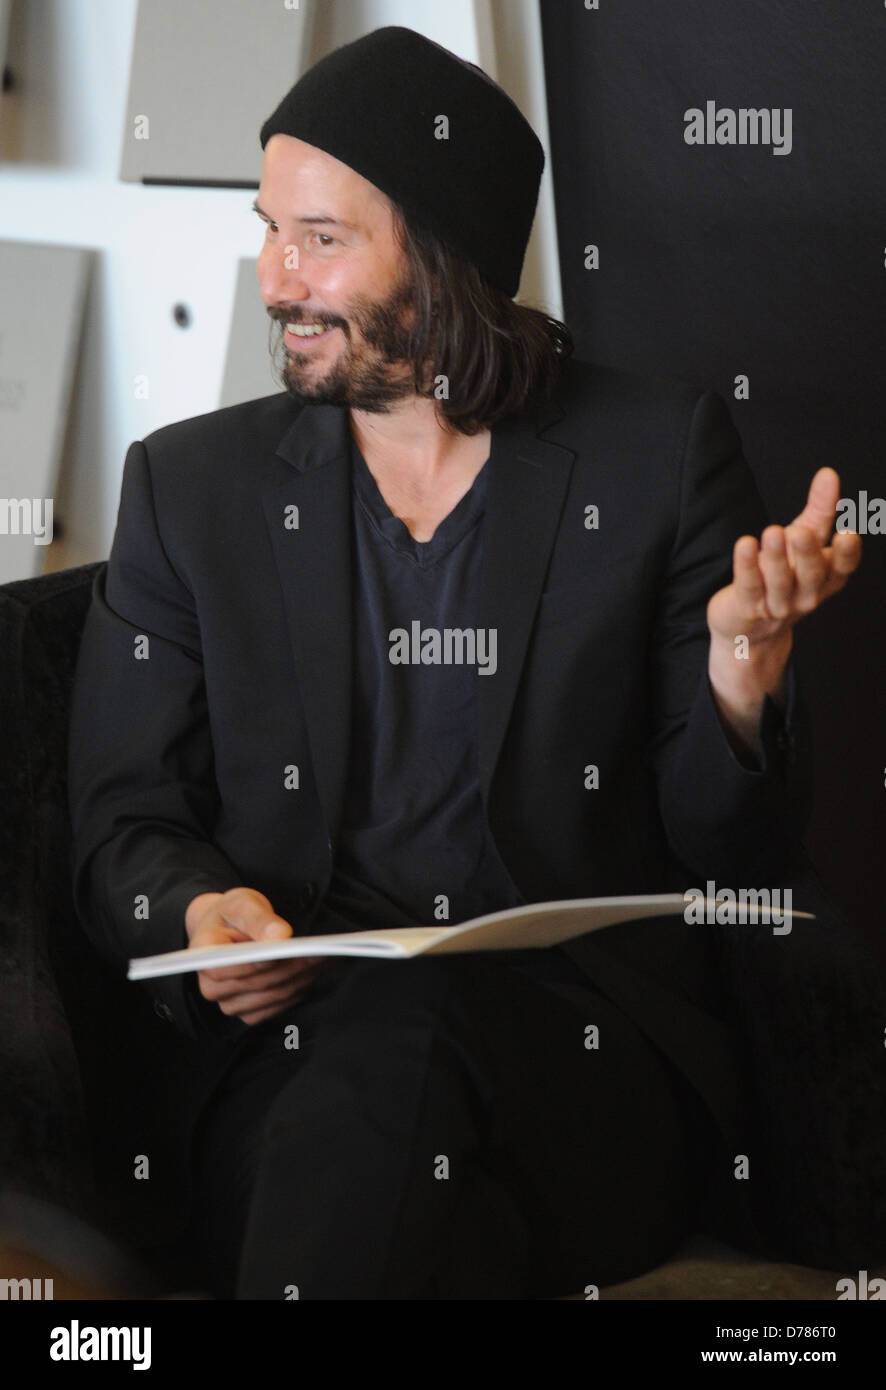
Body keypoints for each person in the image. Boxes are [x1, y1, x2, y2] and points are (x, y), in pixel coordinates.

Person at [66, 27, 862, 1299]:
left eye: (320, 238)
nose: (274, 277)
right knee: (404, 1167)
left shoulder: (653, 459)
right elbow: (126, 816)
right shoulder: (190, 487)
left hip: (583, 1059)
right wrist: (201, 916)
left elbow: (737, 852)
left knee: (404, 1078)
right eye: (269, 229)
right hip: (287, 1064)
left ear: (444, 257)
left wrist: (739, 671)